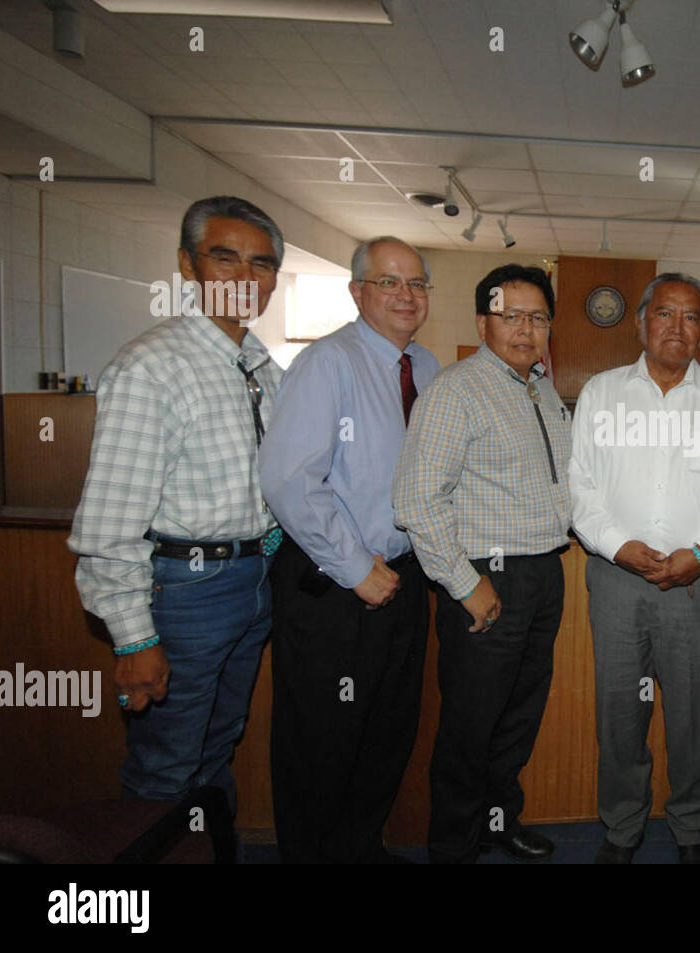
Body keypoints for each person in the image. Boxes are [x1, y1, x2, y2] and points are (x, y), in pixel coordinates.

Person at [68, 195, 285, 818]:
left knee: (216, 750)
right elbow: (111, 520)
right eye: (226, 259)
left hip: (251, 581)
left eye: (262, 264)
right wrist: (133, 639)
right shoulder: (151, 367)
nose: (246, 278)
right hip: (185, 593)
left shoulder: (263, 369)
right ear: (188, 267)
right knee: (163, 768)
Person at [258, 236, 440, 863]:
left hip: (405, 580)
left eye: (416, 283)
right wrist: (357, 567)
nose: (406, 295)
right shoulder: (327, 363)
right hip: (333, 583)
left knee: (387, 731)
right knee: (322, 740)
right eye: (389, 282)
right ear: (358, 291)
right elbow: (288, 478)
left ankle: (361, 850)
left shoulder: (429, 368)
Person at [570, 272, 700, 864]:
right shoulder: (601, 393)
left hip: (698, 588)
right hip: (617, 581)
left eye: (692, 316)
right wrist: (615, 544)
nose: (679, 327)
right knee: (620, 715)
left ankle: (693, 830)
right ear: (641, 321)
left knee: (693, 719)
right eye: (666, 314)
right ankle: (622, 829)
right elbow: (580, 484)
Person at [393, 263, 570, 864]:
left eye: (537, 316)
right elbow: (416, 499)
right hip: (486, 579)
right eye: (510, 314)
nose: (525, 328)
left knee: (517, 717)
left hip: (544, 574)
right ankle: (454, 848)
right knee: (471, 728)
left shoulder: (540, 387)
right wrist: (466, 586)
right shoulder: (456, 389)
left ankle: (500, 822)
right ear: (482, 321)